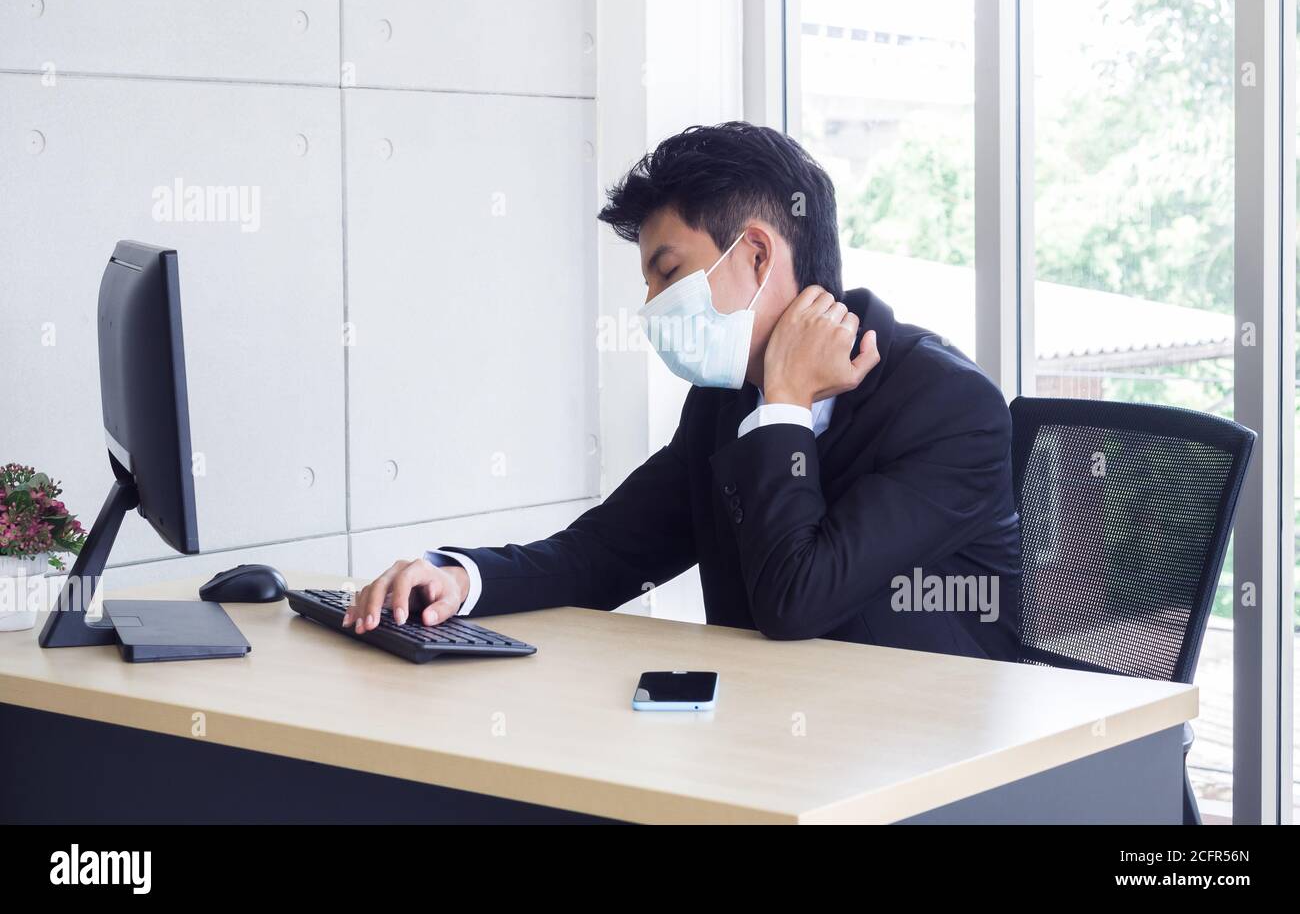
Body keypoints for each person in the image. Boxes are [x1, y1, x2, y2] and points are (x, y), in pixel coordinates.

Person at [345, 121, 1021, 660]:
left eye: (667, 274)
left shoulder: (948, 407)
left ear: (757, 254)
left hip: (929, 767)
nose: (651, 304)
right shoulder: (725, 402)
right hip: (770, 743)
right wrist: (460, 580)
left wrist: (784, 405)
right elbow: (602, 555)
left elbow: (797, 602)